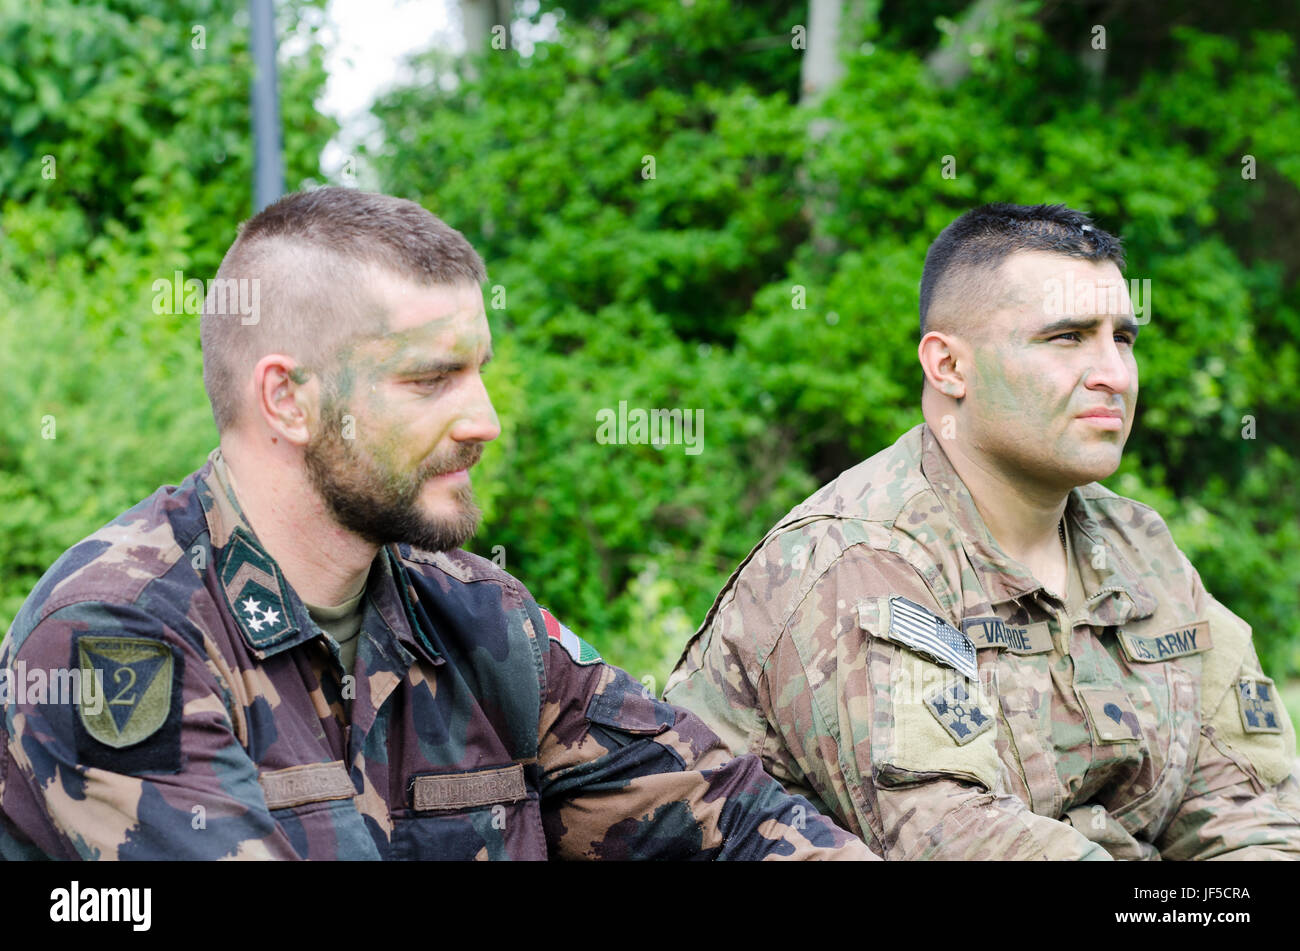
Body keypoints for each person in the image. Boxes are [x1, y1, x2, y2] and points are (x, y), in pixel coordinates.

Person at [0, 187, 874, 861]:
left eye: (480, 371)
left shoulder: (474, 615)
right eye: (430, 380)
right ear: (288, 399)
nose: (484, 420)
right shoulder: (115, 635)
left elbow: (735, 819)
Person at [665, 202, 1300, 860]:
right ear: (949, 368)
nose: (1114, 373)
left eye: (1124, 338)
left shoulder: (1138, 547)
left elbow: (1251, 806)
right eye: (1068, 337)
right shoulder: (857, 556)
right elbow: (956, 838)